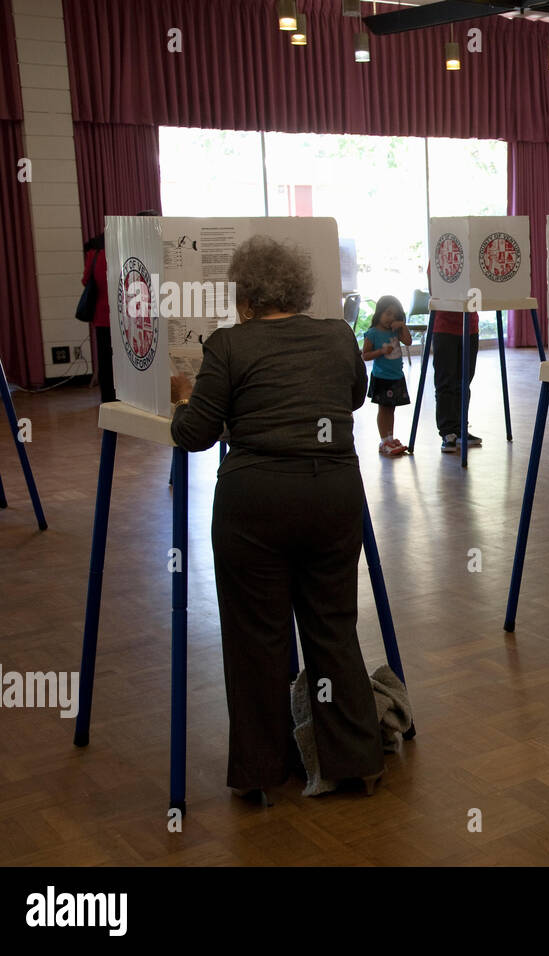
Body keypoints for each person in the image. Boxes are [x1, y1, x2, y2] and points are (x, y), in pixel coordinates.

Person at [169, 235, 384, 801]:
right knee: (332, 628)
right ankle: (354, 760)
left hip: (255, 503)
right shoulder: (338, 334)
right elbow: (355, 397)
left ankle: (261, 774)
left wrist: (187, 399)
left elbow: (194, 436)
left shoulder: (229, 346)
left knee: (256, 640)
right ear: (299, 290)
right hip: (334, 495)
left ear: (243, 299)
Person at [427, 261, 481, 453]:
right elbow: (434, 288)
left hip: (470, 326)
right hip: (445, 327)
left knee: (464, 381)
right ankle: (448, 431)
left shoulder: (472, 252)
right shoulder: (439, 255)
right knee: (445, 382)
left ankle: (460, 427)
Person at [361, 295, 413, 457]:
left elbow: (408, 341)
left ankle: (390, 437)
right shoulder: (373, 333)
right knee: (384, 409)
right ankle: (384, 441)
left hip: (396, 376)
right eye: (388, 313)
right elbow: (365, 355)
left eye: (395, 315)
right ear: (379, 313)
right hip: (382, 377)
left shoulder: (396, 331)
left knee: (391, 409)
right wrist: (381, 352)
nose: (391, 318)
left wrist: (402, 326)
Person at [82, 233, 114, 403]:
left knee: (105, 359)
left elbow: (85, 280)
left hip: (102, 315)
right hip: (127, 314)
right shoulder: (124, 252)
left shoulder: (94, 254)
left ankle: (108, 399)